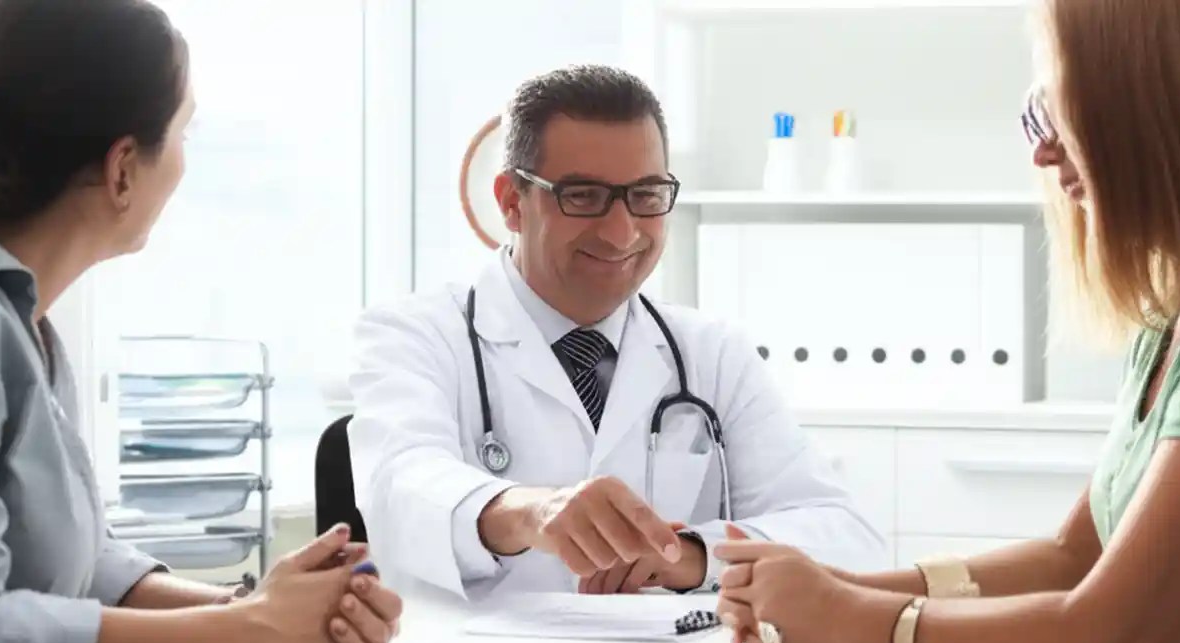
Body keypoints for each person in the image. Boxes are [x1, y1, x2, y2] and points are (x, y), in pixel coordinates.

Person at [714, 1, 1180, 643]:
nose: (1042, 152)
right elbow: (1076, 556)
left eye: (1063, 116)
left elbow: (1111, 641)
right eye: (1037, 118)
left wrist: (849, 617)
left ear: (1154, 112)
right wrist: (845, 587)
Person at [0, 1, 403, 643]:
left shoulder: (26, 326)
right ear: (121, 169)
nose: (184, 156)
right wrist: (261, 631)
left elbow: (72, 569)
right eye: (182, 130)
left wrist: (261, 605)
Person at [349, 65, 885, 601]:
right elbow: (400, 487)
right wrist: (527, 512)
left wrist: (690, 556)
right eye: (583, 197)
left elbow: (844, 535)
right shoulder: (413, 335)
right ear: (512, 202)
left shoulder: (711, 352)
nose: (621, 231)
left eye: (646, 195)